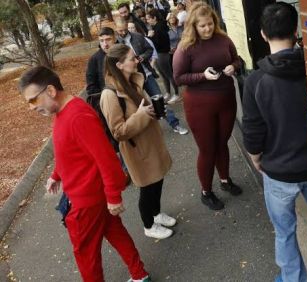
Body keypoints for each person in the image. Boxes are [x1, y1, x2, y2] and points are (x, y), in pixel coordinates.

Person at [19, 66, 151, 282]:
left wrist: (114, 196)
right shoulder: (61, 112)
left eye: (33, 100)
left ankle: (139, 274)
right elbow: (69, 151)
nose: (31, 108)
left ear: (50, 91)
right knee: (116, 233)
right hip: (93, 197)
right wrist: (56, 174)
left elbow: (106, 158)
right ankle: (140, 274)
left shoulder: (77, 116)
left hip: (86, 203)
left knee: (85, 254)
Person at [241, 3, 307, 282]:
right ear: (296, 29)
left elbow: (253, 131)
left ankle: (293, 278)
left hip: (277, 172)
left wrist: (256, 158)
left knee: (285, 232)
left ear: (263, 34)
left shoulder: (256, 80)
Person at [100, 43, 176, 240]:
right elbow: (118, 131)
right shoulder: (109, 95)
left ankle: (156, 214)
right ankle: (148, 225)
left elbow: (143, 108)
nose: (136, 61)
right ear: (119, 65)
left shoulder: (132, 81)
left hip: (151, 142)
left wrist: (155, 110)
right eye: (132, 59)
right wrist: (142, 115)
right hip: (138, 150)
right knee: (147, 187)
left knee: (157, 180)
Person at [173, 2, 242, 210]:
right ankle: (206, 191)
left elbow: (237, 59)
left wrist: (233, 66)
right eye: (202, 26)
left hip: (226, 100)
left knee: (223, 143)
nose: (207, 29)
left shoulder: (224, 39)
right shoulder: (186, 48)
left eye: (210, 24)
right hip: (199, 105)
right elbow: (178, 78)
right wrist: (202, 76)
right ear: (194, 26)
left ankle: (225, 180)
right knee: (207, 148)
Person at [115, 19, 188, 135]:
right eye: (120, 31)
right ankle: (147, 129)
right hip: (130, 79)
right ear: (116, 29)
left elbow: (150, 49)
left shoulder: (137, 37)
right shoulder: (116, 43)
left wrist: (143, 57)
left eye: (125, 30)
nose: (123, 32)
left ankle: (175, 124)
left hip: (146, 75)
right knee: (137, 105)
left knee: (158, 101)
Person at [146, 9, 180, 104]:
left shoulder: (159, 27)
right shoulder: (156, 27)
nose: (147, 21)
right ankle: (168, 93)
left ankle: (177, 94)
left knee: (169, 74)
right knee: (163, 75)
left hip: (162, 54)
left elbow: (160, 43)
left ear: (154, 18)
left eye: (148, 19)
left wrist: (150, 37)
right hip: (158, 54)